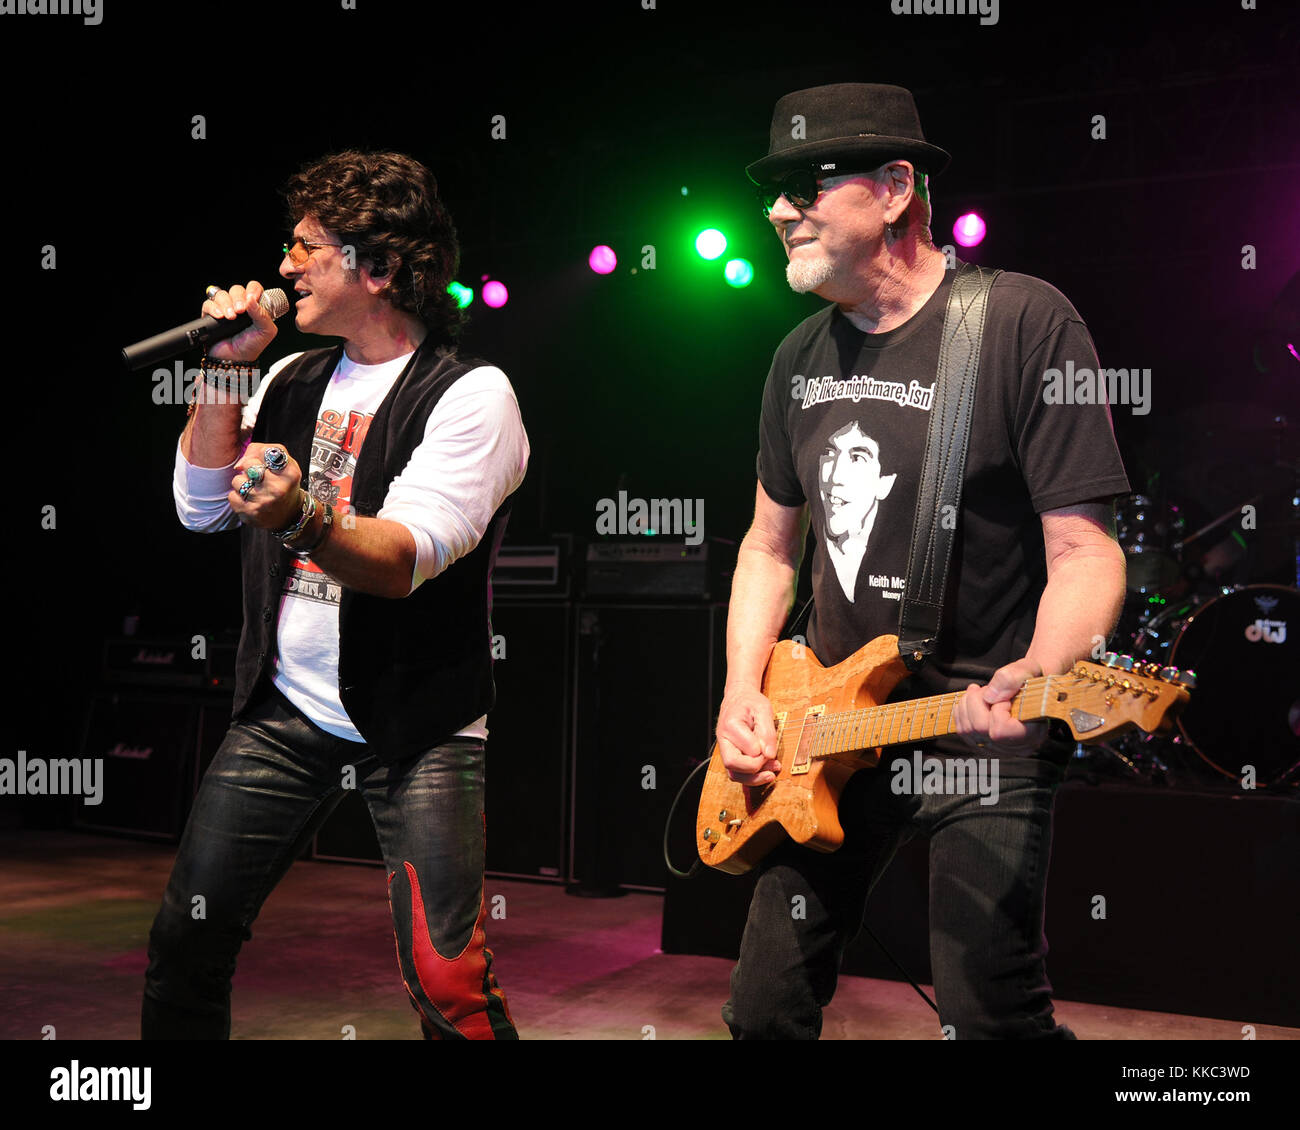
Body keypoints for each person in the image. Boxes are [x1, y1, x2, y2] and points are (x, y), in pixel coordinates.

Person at [715, 84, 1129, 1039]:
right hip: (822, 727)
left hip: (983, 718)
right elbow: (767, 548)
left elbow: (1084, 551)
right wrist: (744, 686)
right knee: (765, 1012)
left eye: (807, 184)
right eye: (773, 189)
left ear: (897, 188)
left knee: (992, 1015)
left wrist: (1040, 671)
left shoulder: (1026, 323)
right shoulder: (795, 357)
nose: (779, 209)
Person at [142, 150, 529, 1040]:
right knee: (185, 943)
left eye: (307, 248)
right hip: (285, 713)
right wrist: (226, 373)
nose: (283, 267)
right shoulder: (286, 379)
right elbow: (200, 511)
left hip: (419, 727)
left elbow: (401, 560)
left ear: (381, 267)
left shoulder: (473, 396)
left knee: (450, 985)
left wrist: (305, 517)